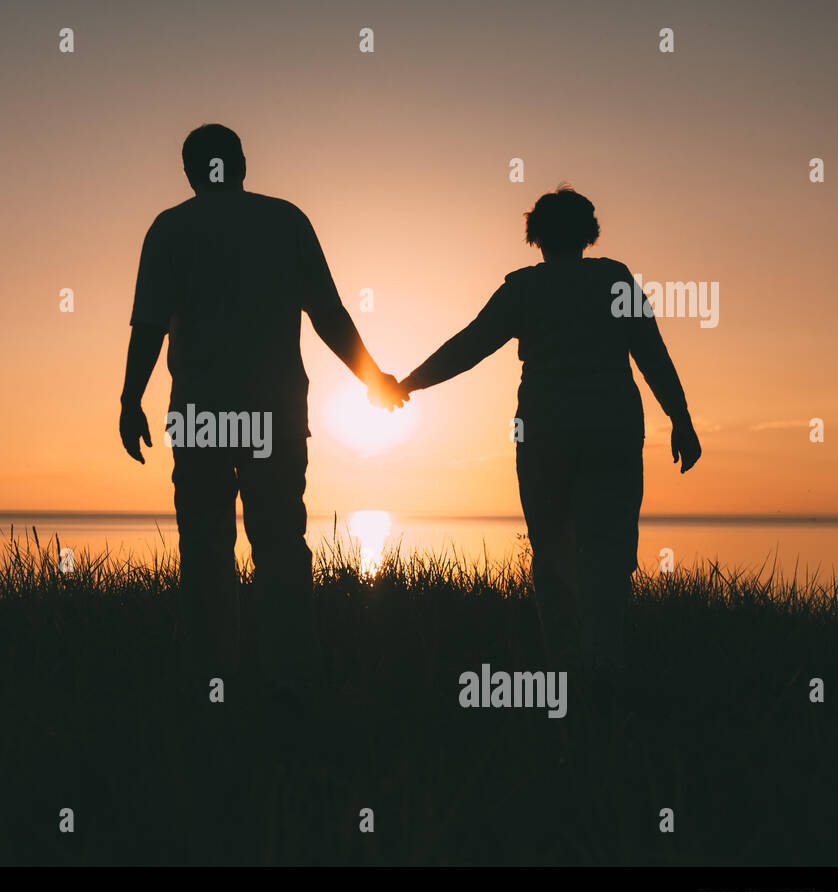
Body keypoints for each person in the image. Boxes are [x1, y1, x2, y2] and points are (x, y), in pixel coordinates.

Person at [118, 123, 407, 721]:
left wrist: (130, 399)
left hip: (200, 413)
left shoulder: (170, 229)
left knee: (204, 549)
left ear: (191, 171)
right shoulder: (285, 221)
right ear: (243, 162)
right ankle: (290, 686)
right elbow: (327, 311)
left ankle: (212, 685)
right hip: (273, 410)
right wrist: (372, 378)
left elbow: (148, 324)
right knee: (279, 546)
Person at [392, 185, 702, 693]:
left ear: (535, 236)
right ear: (588, 233)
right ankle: (604, 669)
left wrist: (407, 384)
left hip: (545, 434)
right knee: (608, 550)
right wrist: (681, 418)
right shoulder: (612, 278)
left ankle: (564, 670)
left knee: (553, 549)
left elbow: (468, 346)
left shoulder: (522, 288)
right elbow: (651, 351)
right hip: (612, 432)